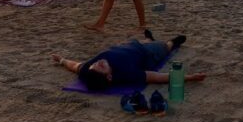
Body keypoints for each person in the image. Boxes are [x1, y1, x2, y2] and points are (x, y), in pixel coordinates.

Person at [52, 31, 204, 91]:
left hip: (130, 46)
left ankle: (149, 38)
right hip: (148, 54)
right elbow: (157, 77)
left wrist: (62, 60)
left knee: (144, 41)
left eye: (95, 65)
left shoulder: (88, 71)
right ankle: (174, 41)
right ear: (110, 77)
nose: (98, 63)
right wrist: (188, 77)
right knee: (165, 46)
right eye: (101, 67)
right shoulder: (127, 74)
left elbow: (74, 66)